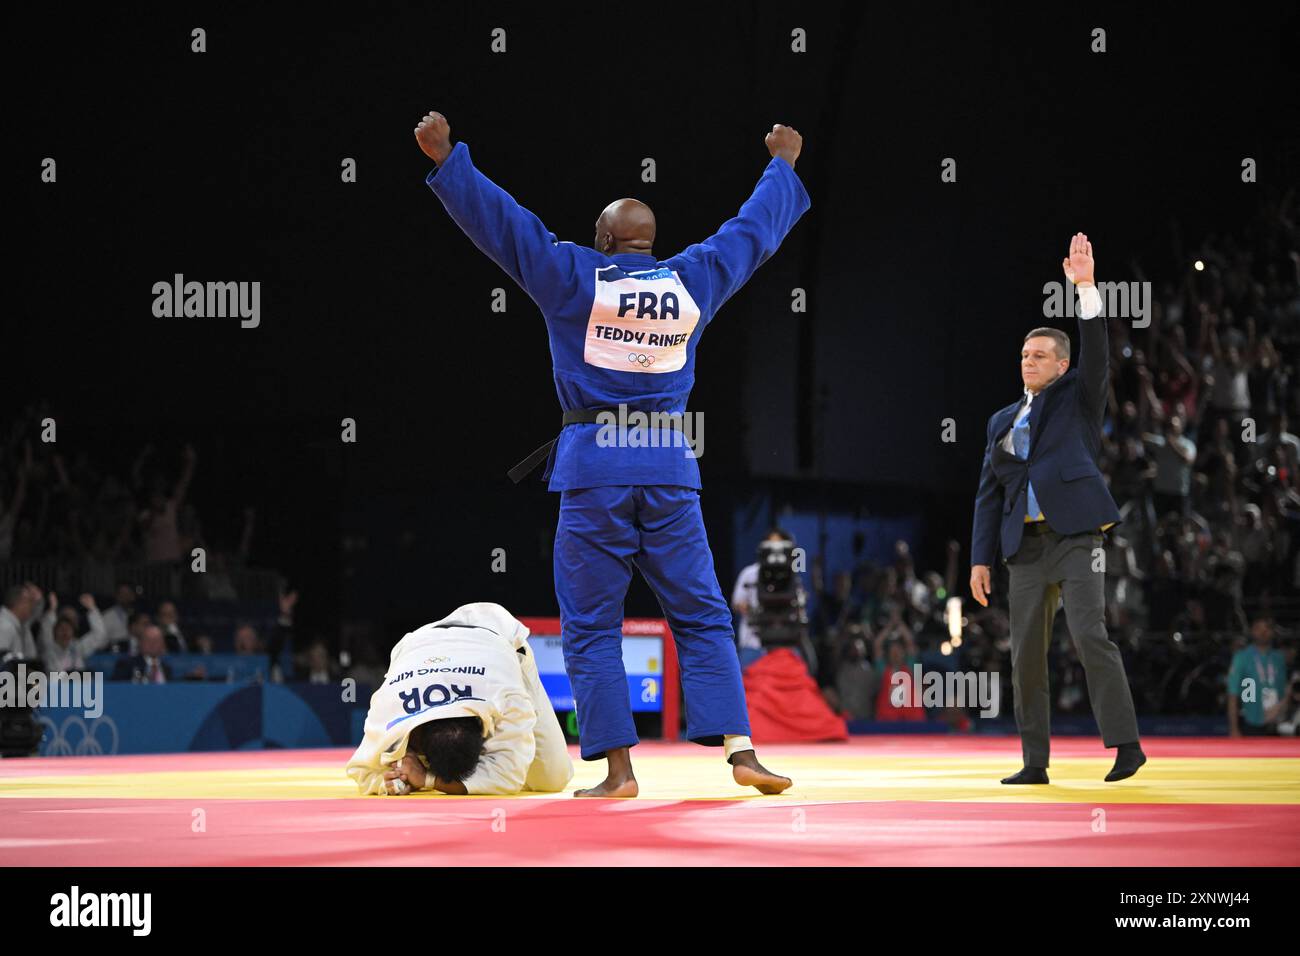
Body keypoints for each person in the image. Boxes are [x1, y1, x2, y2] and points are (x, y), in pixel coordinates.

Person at [415, 109, 807, 797]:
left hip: (595, 468)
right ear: (652, 243)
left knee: (592, 625)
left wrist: (450, 161)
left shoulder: (574, 275)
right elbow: (750, 236)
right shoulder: (692, 279)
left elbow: (506, 227)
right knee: (704, 612)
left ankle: (619, 773)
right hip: (666, 467)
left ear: (602, 239)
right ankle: (743, 752)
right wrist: (782, 167)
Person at [970, 234, 1145, 784]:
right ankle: (1034, 762)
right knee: (1024, 656)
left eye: (1039, 355)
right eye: (1023, 355)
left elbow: (1097, 351)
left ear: (1062, 364)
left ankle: (1126, 746)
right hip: (1023, 550)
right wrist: (979, 561)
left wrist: (1087, 289)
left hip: (1076, 539)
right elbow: (987, 494)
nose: (1028, 361)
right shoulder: (1000, 421)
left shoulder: (1079, 399)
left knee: (1090, 635)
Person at [346, 603, 574, 796]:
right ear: (418, 739)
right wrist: (392, 780)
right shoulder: (390, 706)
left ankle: (449, 771)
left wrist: (427, 779)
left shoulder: (507, 698)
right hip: (419, 644)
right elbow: (361, 771)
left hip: (496, 634)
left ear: (486, 731)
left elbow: (509, 777)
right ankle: (446, 768)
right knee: (541, 776)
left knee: (553, 778)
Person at [1226, 617, 1290, 736]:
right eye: (1258, 629)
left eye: (1267, 629)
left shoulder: (1279, 658)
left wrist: (1281, 708)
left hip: (1277, 722)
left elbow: (1284, 689)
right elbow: (1232, 695)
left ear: (1273, 632)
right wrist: (1234, 729)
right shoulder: (1241, 657)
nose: (1263, 633)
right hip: (1251, 721)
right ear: (1252, 631)